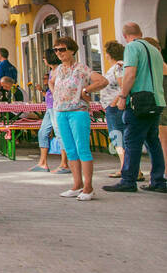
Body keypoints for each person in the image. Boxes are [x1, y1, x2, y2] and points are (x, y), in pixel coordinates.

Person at [104, 22, 166, 194]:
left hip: (140, 101)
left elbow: (130, 74)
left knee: (131, 140)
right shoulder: (153, 49)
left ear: (125, 37)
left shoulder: (132, 47)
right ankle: (158, 180)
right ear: (140, 31)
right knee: (153, 141)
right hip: (156, 99)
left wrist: (123, 96)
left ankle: (128, 180)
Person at [49, 36, 106, 200]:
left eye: (62, 49)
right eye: (56, 50)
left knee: (82, 148)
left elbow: (102, 81)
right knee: (70, 149)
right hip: (61, 112)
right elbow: (51, 82)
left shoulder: (81, 69)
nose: (59, 53)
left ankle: (88, 187)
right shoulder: (59, 69)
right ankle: (76, 184)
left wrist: (85, 91)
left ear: (72, 50)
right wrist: (56, 95)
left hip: (78, 111)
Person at [102, 41, 131, 180]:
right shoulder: (119, 66)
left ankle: (126, 168)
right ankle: (128, 168)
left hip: (115, 108)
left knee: (117, 137)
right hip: (114, 106)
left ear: (109, 54)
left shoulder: (118, 66)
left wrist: (114, 102)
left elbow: (122, 85)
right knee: (120, 137)